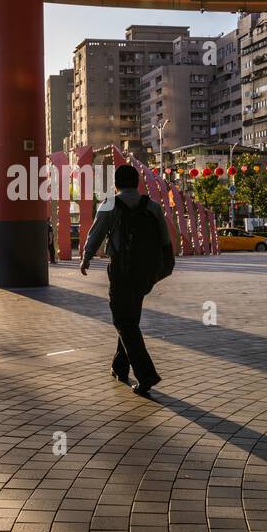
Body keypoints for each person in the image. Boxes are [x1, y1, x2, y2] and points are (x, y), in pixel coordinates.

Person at [80, 164, 175, 397]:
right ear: (137, 183)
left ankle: (146, 376)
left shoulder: (110, 203)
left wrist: (86, 258)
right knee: (130, 318)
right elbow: (165, 238)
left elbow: (96, 233)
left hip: (122, 270)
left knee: (123, 320)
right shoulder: (151, 205)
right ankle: (120, 367)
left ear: (116, 184)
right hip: (146, 271)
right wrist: (162, 269)